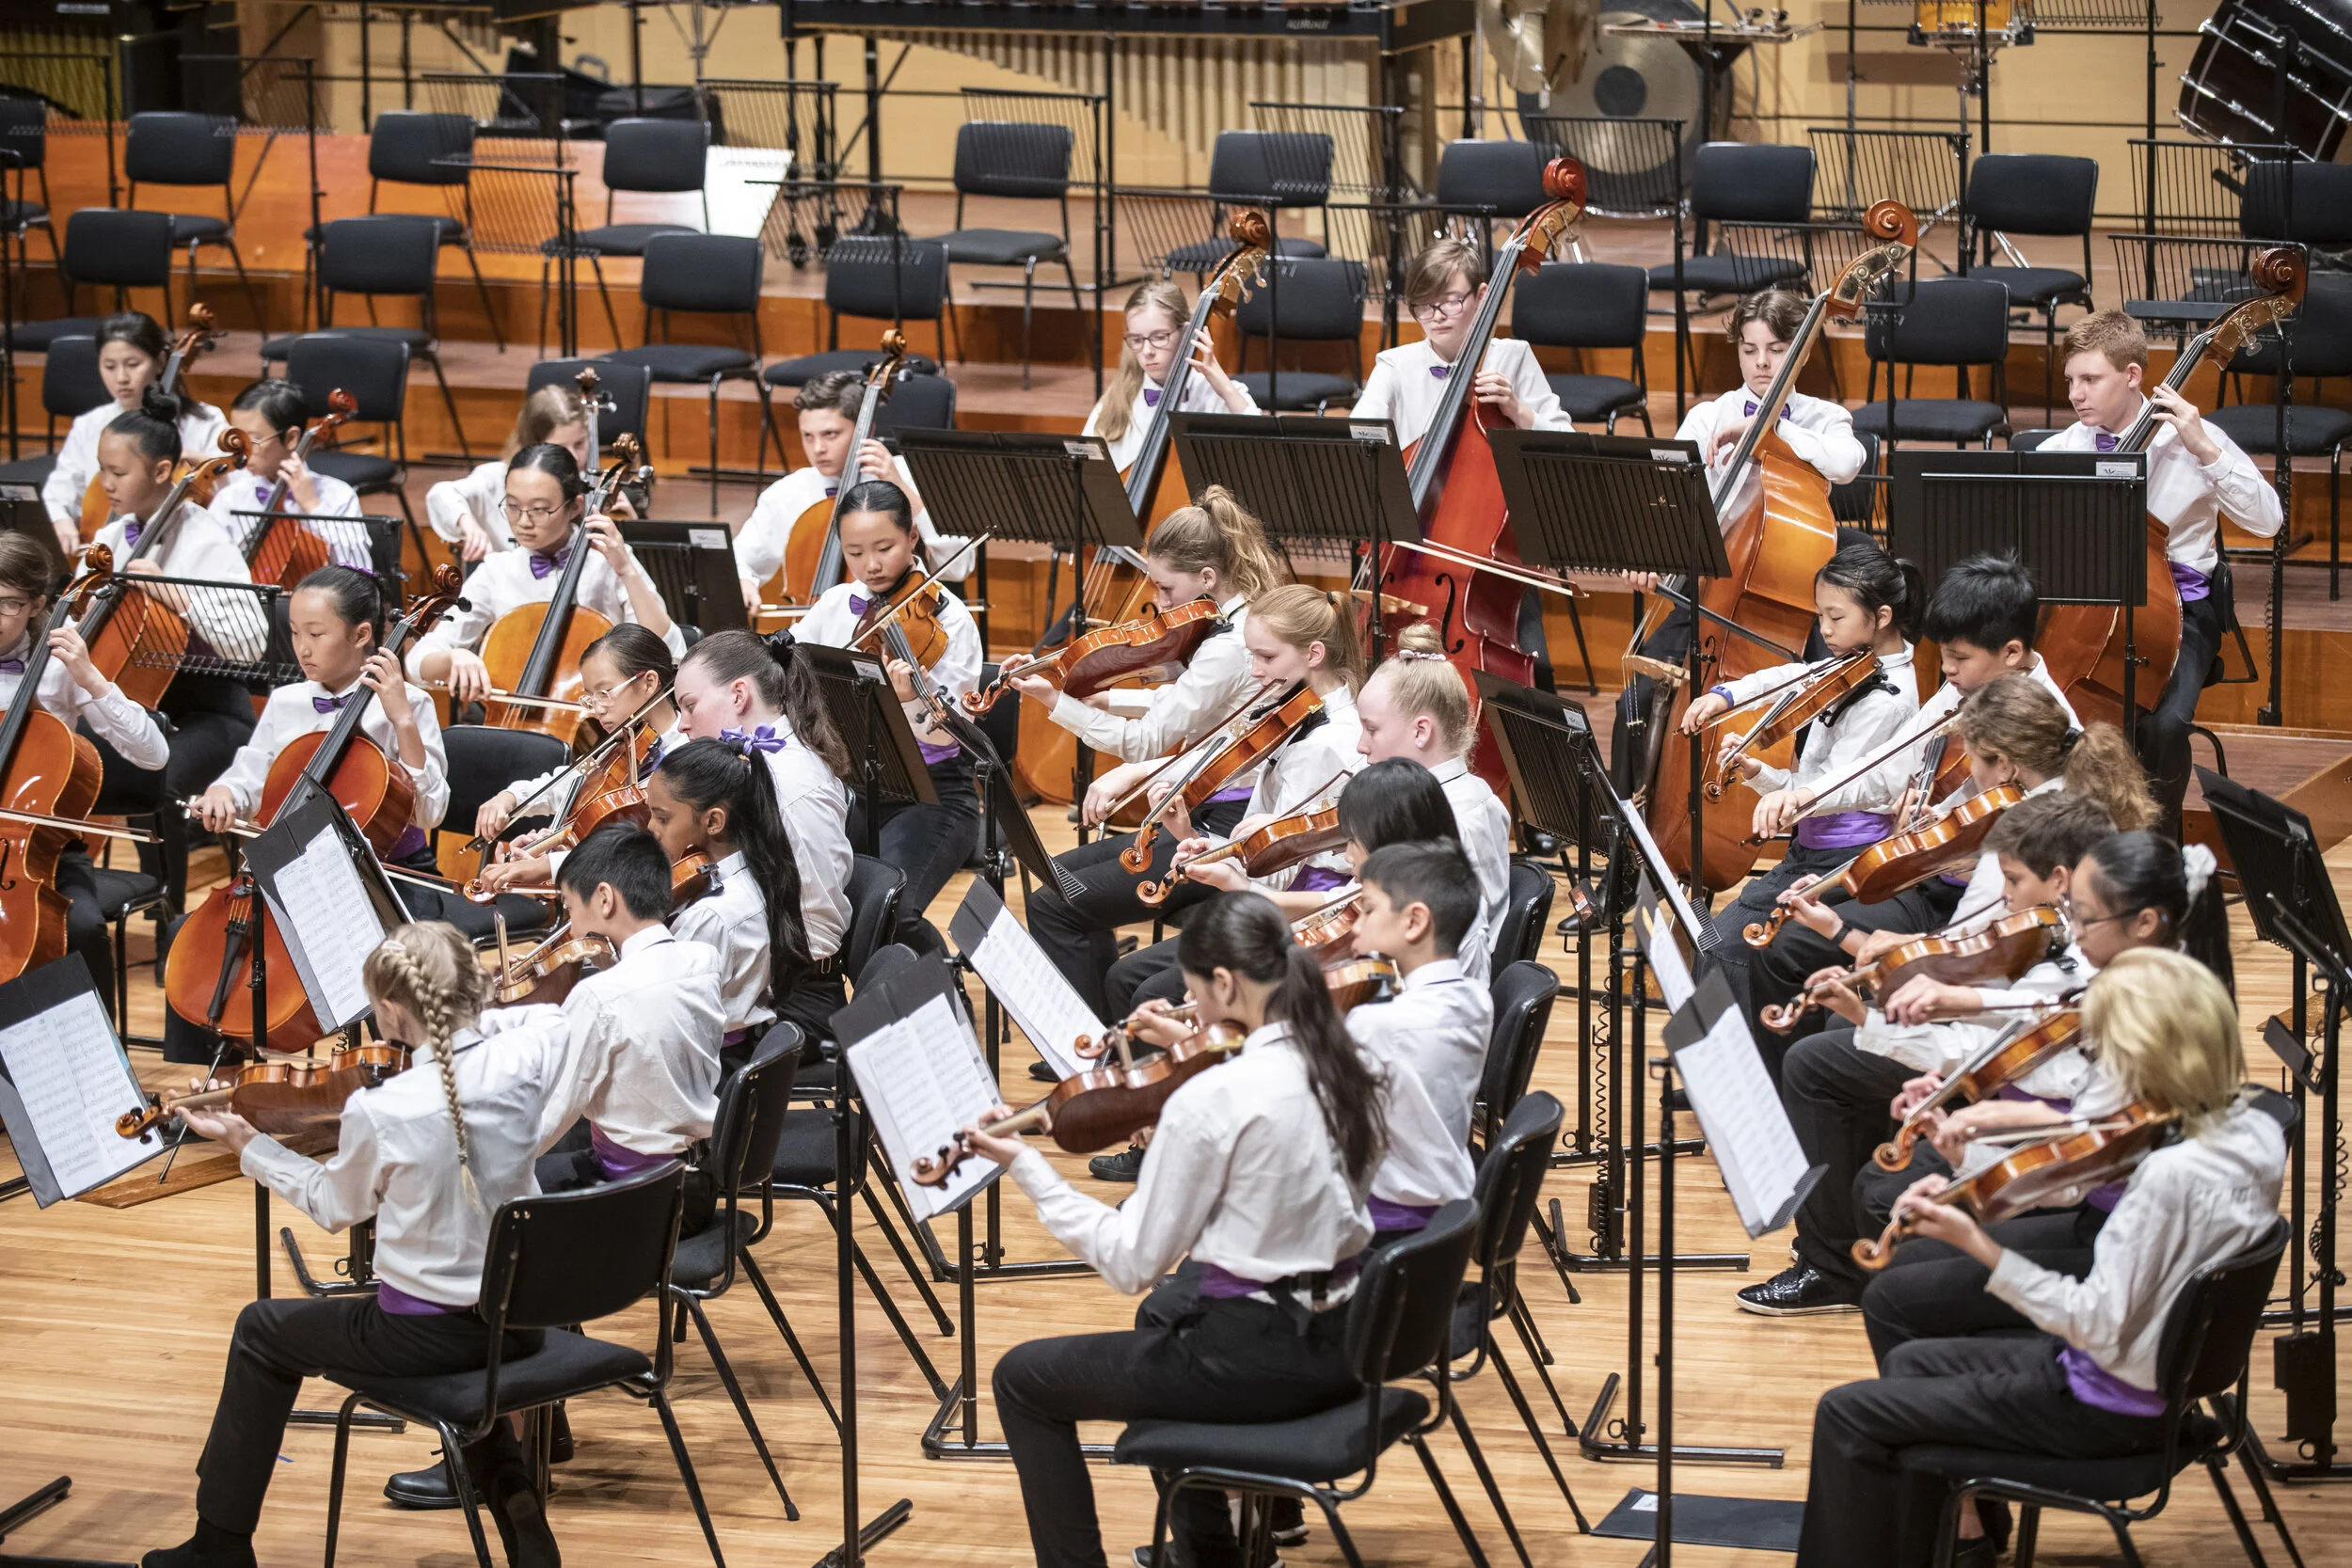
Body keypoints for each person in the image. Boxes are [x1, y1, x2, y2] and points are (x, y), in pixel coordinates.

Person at [1796, 947, 2283, 1568]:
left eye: (2105, 1054)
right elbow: (2081, 1171)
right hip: (2154, 1377)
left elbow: (2094, 1321)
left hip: (2103, 1408)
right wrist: (1966, 1160)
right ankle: (1950, 1546)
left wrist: (1977, 1244)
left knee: (1847, 1413)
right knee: (1909, 1361)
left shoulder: (2168, 1180)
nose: (2096, 1071)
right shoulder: (2246, 1126)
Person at [965, 890, 1384, 1568]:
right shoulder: (1348, 1056)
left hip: (1258, 1359)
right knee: (1165, 1316)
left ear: (1225, 984)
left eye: (1195, 994)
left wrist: (1029, 1168)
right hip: (1349, 1334)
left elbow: (1129, 1262)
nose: (1193, 1011)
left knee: (1022, 1379)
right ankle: (1213, 1553)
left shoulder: (1215, 1098)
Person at [145, 921, 570, 1568]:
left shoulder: (384, 1109)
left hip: (427, 1335)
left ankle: (219, 1545)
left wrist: (247, 1143)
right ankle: (515, 1499)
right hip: (521, 1321)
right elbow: (542, 1020)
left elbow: (333, 1205)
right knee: (462, 1360)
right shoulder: (527, 1056)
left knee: (260, 1329)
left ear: (394, 1012)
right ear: (474, 987)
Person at [1858, 831, 2232, 1366]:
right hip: (2101, 1214)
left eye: (2084, 919)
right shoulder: (2143, 985)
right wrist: (1974, 1156)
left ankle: (1951, 1389)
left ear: (2145, 923)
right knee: (1905, 1266)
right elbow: (2089, 1146)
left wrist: (2004, 1141)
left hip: (2125, 1248)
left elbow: (2090, 1162)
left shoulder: (2155, 1019)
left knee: (1897, 1293)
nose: (2072, 935)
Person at [1737, 553, 2086, 1026]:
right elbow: (1891, 766)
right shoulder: (1964, 688)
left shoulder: (2048, 727)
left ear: (2011, 653)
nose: (1947, 670)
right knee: (1786, 944)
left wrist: (1946, 838)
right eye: (1943, 655)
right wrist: (1805, 797)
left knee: (1797, 952)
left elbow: (2017, 869)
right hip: (1928, 878)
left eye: (1959, 658)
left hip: (1981, 907)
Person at [1014, 489, 1290, 1017]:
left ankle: (1099, 1043)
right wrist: (1109, 698)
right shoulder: (1230, 621)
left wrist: (1055, 702)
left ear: (1207, 578)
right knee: (1056, 881)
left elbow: (1148, 740)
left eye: (1165, 588)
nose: (1159, 604)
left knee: (1056, 903)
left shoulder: (1231, 645)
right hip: (1200, 805)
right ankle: (1105, 1032)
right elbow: (1196, 707)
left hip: (1223, 824)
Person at [1080, 583, 1368, 1085]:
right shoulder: (1294, 711)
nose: (1254, 670)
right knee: (1125, 975)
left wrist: (1221, 861)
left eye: (1266, 657)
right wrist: (1192, 835)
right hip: (1263, 894)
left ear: (1314, 654)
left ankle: (1171, 1108)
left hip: (1298, 917)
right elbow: (1257, 838)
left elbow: (1276, 874)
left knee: (1146, 989)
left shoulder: (1326, 744)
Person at [176, 565, 450, 1063]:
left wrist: (401, 721)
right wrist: (222, 792)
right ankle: (221, 1081)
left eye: (316, 634)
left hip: (387, 877)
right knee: (205, 949)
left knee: (398, 967)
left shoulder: (410, 704)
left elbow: (430, 811)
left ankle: (397, 1071)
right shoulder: (287, 701)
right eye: (295, 633)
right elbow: (251, 775)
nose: (301, 649)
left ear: (361, 635)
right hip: (296, 875)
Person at [2040, 311, 2284, 835]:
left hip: (2180, 614)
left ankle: (2158, 852)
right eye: (2071, 380)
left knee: (2164, 725)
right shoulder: (2060, 451)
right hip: (2086, 611)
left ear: (2132, 375)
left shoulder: (2195, 440)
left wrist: (2205, 449)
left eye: (2090, 379)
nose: (2076, 394)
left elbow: (2268, 521)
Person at [1613, 290, 1870, 786]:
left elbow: (1846, 464)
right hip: (1714, 590)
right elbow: (1667, 499)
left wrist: (1768, 429)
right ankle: (1631, 824)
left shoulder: (1824, 418)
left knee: (1824, 701)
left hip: (1795, 597)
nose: (1762, 362)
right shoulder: (1709, 416)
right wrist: (1651, 552)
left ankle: (1804, 808)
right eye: (1749, 350)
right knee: (1637, 700)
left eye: (1776, 349)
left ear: (1801, 353)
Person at [1678, 543, 1924, 989]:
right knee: (1718, 943)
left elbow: (1825, 791)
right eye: (1819, 616)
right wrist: (1727, 697)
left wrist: (1769, 782)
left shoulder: (1889, 701)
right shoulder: (1857, 662)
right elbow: (1792, 676)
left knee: (1724, 948)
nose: (1824, 629)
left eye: (1836, 616)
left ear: (1882, 616)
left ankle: (1738, 1035)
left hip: (1843, 859)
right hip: (1810, 848)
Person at [83, 387, 259, 914]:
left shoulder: (206, 540)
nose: (105, 483)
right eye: (102, 470)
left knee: (154, 779)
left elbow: (251, 642)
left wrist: (175, 595)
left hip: (208, 711)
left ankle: (169, 917)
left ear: (163, 471)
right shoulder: (113, 535)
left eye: (118, 472)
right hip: (133, 704)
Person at [794, 477, 981, 945]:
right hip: (852, 784)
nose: (871, 566)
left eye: (884, 548)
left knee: (891, 913)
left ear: (912, 536)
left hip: (932, 792)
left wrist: (912, 699)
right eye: (855, 553)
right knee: (802, 893)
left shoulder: (951, 620)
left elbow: (952, 734)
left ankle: (939, 985)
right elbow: (787, 662)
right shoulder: (837, 604)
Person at [0, 531, 168, 1003]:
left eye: (7, 604)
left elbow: (153, 754)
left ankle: (95, 1045)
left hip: (39, 848)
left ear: (37, 605)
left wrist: (90, 678)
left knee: (81, 926)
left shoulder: (60, 667)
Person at [405, 444, 684, 705]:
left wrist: (626, 571)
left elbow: (669, 652)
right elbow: (417, 662)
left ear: (575, 506)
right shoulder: (497, 570)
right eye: (513, 506)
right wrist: (452, 658)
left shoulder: (608, 561)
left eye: (539, 509)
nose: (523, 521)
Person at [1345, 838, 1489, 1247]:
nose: (1355, 926)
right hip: (1447, 1209)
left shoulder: (1378, 1024)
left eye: (1368, 910)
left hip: (1386, 1222)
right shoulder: (1476, 998)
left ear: (1414, 922)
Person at [646, 735, 824, 1053]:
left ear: (713, 821)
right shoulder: (755, 868)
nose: (650, 828)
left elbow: (657, 1013)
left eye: (662, 818)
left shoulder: (712, 916)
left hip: (705, 1063)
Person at [1353, 623, 1513, 975]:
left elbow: (1455, 952)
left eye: (1372, 729)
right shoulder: (1467, 794)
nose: (1361, 746)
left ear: (1421, 731)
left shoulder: (1447, 824)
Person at [732, 371, 966, 610]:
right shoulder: (787, 492)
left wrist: (900, 487)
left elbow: (960, 565)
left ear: (867, 430)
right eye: (808, 436)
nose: (818, 448)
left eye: (830, 434)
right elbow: (740, 559)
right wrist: (744, 581)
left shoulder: (910, 475)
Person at [473, 622, 680, 845]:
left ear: (649, 683)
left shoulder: (688, 758)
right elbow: (566, 785)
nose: (598, 709)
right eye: (591, 698)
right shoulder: (619, 748)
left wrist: (556, 858)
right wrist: (510, 797)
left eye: (604, 693)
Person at [1350, 236, 1569, 444]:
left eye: (1451, 301)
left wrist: (1517, 409)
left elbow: (1566, 440)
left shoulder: (1513, 357)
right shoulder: (1395, 365)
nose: (1437, 316)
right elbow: (1357, 434)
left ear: (1481, 296)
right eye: (1424, 305)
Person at [41, 310, 227, 554]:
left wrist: (194, 459)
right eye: (109, 366)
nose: (121, 378)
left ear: (160, 361)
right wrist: (61, 522)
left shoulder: (205, 421)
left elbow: (235, 492)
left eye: (133, 365)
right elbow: (60, 491)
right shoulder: (90, 424)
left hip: (183, 554)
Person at [1084, 279, 1259, 472]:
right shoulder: (1114, 401)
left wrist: (1225, 388)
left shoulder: (1213, 394)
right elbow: (1085, 467)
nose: (1147, 351)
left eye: (1159, 337)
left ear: (1185, 333)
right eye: (1137, 340)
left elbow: (1259, 446)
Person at [426, 384, 599, 562]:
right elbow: (441, 494)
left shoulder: (590, 487)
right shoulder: (496, 478)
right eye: (560, 447)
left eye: (579, 444)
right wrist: (469, 526)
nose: (574, 457)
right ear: (533, 444)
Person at [207, 378, 365, 570]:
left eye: (254, 440)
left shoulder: (338, 496)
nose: (243, 451)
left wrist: (313, 507)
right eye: (238, 439)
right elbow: (207, 569)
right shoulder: (231, 499)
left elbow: (359, 570)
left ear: (291, 438)